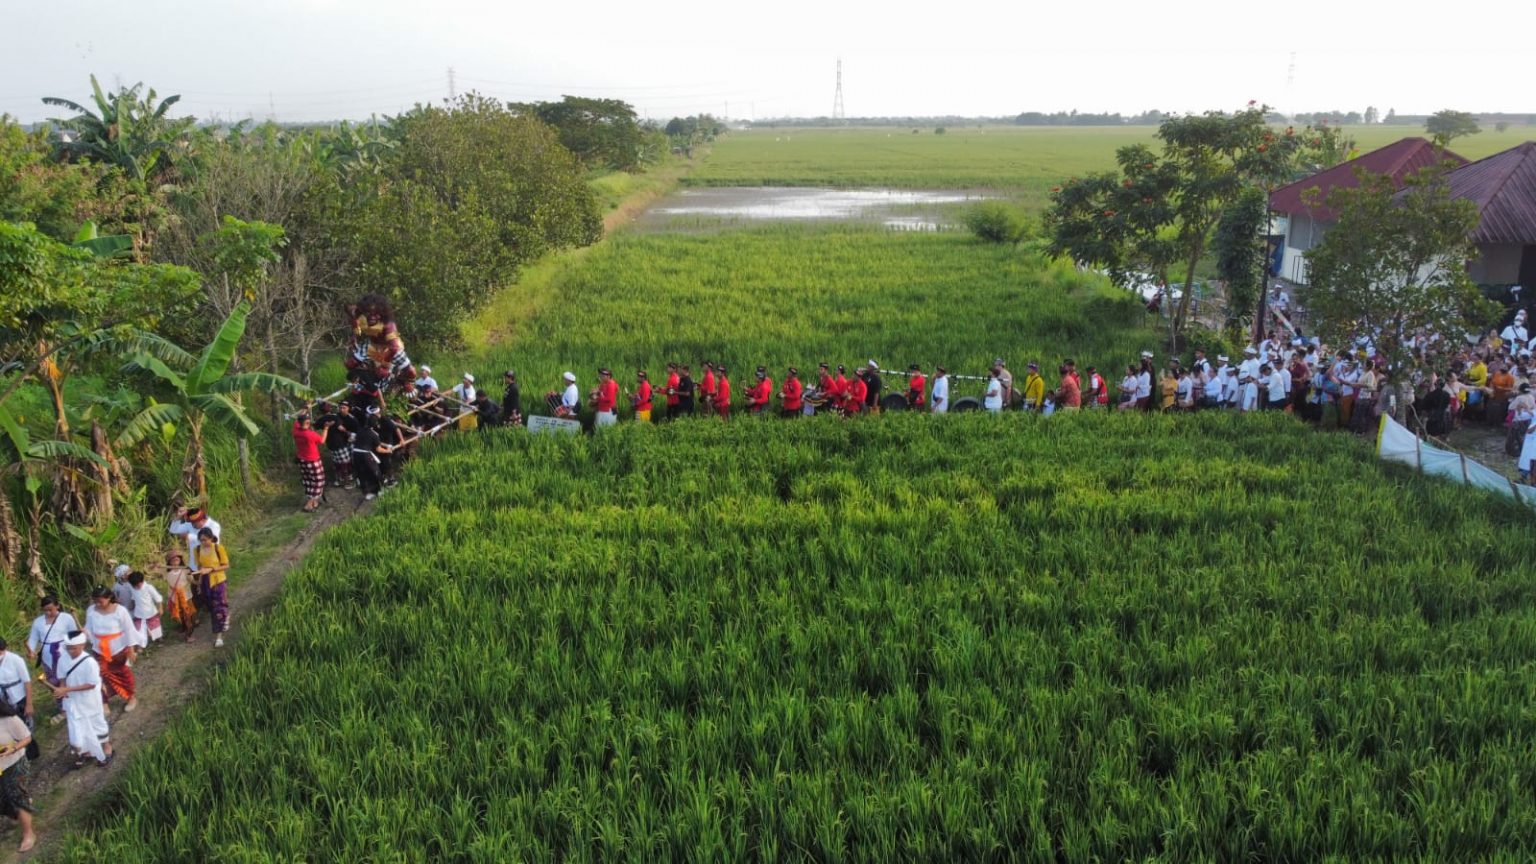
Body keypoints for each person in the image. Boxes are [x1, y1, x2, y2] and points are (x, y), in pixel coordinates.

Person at [51, 631, 112, 770]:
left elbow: (91, 684)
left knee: (96, 724)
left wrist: (67, 690)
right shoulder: (62, 659)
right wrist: (61, 691)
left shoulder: (90, 662)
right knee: (77, 728)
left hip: (89, 699)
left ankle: (107, 748)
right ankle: (85, 751)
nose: (71, 651)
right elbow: (62, 678)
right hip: (72, 701)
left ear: (82, 645)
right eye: (68, 647)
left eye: (74, 648)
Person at [84, 587, 140, 712]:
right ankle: (104, 701)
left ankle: (131, 697)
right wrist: (84, 633)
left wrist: (131, 649)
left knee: (122, 673)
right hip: (99, 649)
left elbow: (129, 630)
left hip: (118, 648)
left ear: (109, 598)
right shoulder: (91, 610)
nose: (97, 604)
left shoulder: (120, 611)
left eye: (100, 601)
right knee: (101, 675)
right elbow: (88, 628)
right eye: (95, 601)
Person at [0, 696, 36, 852]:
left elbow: (27, 738)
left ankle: (29, 833)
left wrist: (12, 748)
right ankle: (15, 814)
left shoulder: (9, 719)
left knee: (18, 798)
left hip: (15, 763)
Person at [27, 597, 78, 697]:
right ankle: (62, 706)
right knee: (53, 680)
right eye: (45, 610)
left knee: (69, 677)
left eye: (50, 609)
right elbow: (33, 638)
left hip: (65, 652)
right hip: (47, 655)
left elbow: (74, 635)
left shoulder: (66, 618)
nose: (48, 613)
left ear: (57, 606)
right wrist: (31, 651)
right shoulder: (38, 622)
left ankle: (74, 700)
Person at [191, 527, 231, 647]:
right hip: (205, 582)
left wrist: (212, 569)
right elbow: (199, 567)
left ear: (211, 538)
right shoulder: (197, 550)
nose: (203, 542)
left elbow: (226, 565)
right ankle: (226, 616)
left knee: (218, 607)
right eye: (201, 540)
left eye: (205, 540)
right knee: (210, 607)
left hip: (218, 580)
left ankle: (219, 637)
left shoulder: (218, 548)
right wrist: (200, 578)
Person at [158, 552, 198, 641]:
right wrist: (157, 566)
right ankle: (183, 627)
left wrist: (198, 583)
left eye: (177, 558)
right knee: (180, 614)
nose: (175, 560)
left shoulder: (185, 570)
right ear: (169, 562)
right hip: (175, 598)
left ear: (180, 560)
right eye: (173, 559)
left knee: (187, 615)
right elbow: (155, 569)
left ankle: (189, 635)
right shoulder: (167, 573)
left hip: (186, 597)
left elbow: (192, 581)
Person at [292, 413, 326, 512]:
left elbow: (297, 421)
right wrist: (326, 428)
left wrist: (306, 408)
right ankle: (309, 503)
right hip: (313, 460)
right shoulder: (309, 434)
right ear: (307, 423)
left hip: (302, 460)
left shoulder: (296, 430)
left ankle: (314, 501)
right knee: (319, 481)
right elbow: (322, 440)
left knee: (309, 481)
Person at [319, 402, 357, 488]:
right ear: (330, 409)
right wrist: (349, 433)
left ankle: (339, 479)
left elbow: (315, 425)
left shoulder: (320, 420)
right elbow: (341, 428)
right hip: (340, 443)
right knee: (345, 463)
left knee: (337, 462)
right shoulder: (335, 417)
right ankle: (346, 482)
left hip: (330, 444)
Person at [0, 639, 31, 733]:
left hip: (18, 697)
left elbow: (27, 681)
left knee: (25, 725)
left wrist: (29, 704)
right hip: (2, 699)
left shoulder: (15, 659)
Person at [350, 416, 385, 499]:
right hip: (365, 455)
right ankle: (379, 490)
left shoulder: (360, 430)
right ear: (376, 424)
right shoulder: (374, 434)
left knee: (362, 473)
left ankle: (367, 492)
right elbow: (379, 449)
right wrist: (388, 450)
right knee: (375, 472)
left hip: (355, 454)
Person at [127, 571, 164, 648]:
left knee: (155, 627)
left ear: (142, 581)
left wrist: (160, 608)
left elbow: (158, 598)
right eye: (134, 585)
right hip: (139, 613)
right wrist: (132, 605)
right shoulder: (132, 588)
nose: (136, 587)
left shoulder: (148, 587)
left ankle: (159, 639)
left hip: (151, 612)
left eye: (138, 585)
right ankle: (140, 645)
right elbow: (134, 597)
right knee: (139, 629)